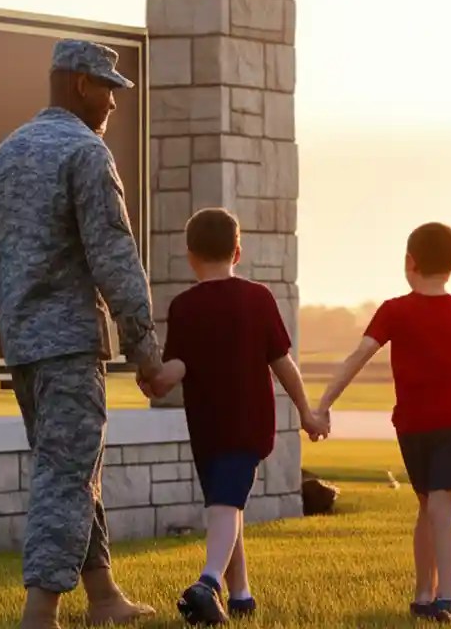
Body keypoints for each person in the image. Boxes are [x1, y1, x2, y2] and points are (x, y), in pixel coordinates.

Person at [0, 38, 175, 629]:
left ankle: (105, 596)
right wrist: (145, 348)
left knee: (71, 466)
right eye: (107, 88)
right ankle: (40, 613)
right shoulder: (86, 153)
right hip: (68, 346)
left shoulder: (2, 157)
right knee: (66, 477)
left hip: (25, 346)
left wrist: (15, 323)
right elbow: (114, 254)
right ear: (79, 85)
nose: (114, 102)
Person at [145, 207, 325, 626]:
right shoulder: (257, 298)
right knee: (228, 507)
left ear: (190, 255)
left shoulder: (184, 306)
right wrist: (306, 412)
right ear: (238, 252)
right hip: (248, 424)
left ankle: (208, 583)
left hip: (208, 427)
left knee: (224, 505)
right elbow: (283, 364)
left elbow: (177, 368)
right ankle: (239, 594)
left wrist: (154, 379)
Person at [312, 222, 451, 624]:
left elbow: (358, 356)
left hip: (411, 426)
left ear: (410, 262)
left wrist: (324, 404)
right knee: (440, 507)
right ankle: (444, 598)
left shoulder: (395, 310)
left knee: (430, 505)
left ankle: (425, 595)